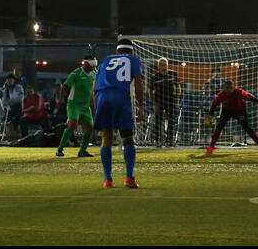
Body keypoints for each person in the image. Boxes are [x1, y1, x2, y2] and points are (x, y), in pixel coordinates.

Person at [94, 38, 145, 188]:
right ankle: (129, 177)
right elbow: (138, 82)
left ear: (117, 50)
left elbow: (95, 85)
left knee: (106, 137)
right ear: (131, 50)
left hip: (102, 96)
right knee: (127, 136)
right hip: (120, 96)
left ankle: (107, 179)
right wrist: (141, 105)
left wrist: (97, 105)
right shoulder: (133, 60)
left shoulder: (105, 60)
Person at [203, 79, 258, 154]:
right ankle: (211, 147)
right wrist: (210, 115)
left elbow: (249, 97)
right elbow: (214, 105)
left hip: (240, 111)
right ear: (224, 88)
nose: (228, 90)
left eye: (230, 88)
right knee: (219, 127)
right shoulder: (221, 95)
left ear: (234, 88)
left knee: (247, 128)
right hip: (226, 111)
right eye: (227, 88)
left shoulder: (239, 92)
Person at [56, 59, 97, 157]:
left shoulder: (93, 74)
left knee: (90, 128)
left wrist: (95, 104)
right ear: (86, 63)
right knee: (72, 125)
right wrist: (60, 100)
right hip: (74, 104)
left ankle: (82, 151)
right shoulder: (76, 73)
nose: (94, 68)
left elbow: (92, 91)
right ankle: (60, 149)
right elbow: (64, 87)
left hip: (85, 106)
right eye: (92, 66)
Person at [150, 57, 182, 147]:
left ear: (168, 65)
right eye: (161, 65)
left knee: (172, 121)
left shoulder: (173, 74)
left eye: (165, 64)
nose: (163, 66)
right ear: (158, 66)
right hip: (159, 101)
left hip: (171, 100)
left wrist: (177, 99)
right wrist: (154, 103)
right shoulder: (154, 77)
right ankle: (157, 141)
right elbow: (151, 91)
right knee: (158, 122)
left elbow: (178, 87)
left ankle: (170, 141)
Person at [1, 74, 25, 142]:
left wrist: (10, 102)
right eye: (8, 80)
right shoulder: (5, 89)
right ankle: (8, 135)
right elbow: (4, 101)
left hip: (19, 107)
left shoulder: (19, 87)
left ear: (14, 80)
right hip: (9, 108)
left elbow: (20, 99)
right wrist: (8, 103)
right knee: (5, 119)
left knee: (16, 119)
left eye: (11, 80)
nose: (9, 81)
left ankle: (14, 134)